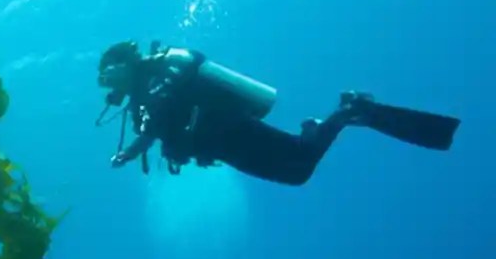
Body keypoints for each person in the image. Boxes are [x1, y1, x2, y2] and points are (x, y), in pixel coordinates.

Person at [94, 40, 461, 185]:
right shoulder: (143, 95)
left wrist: (129, 152)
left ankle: (349, 110)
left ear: (124, 63)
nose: (103, 81)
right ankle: (330, 121)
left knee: (300, 165)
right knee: (297, 174)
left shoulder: (163, 72)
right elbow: (160, 125)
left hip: (229, 131)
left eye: (106, 71)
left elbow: (160, 118)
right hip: (220, 147)